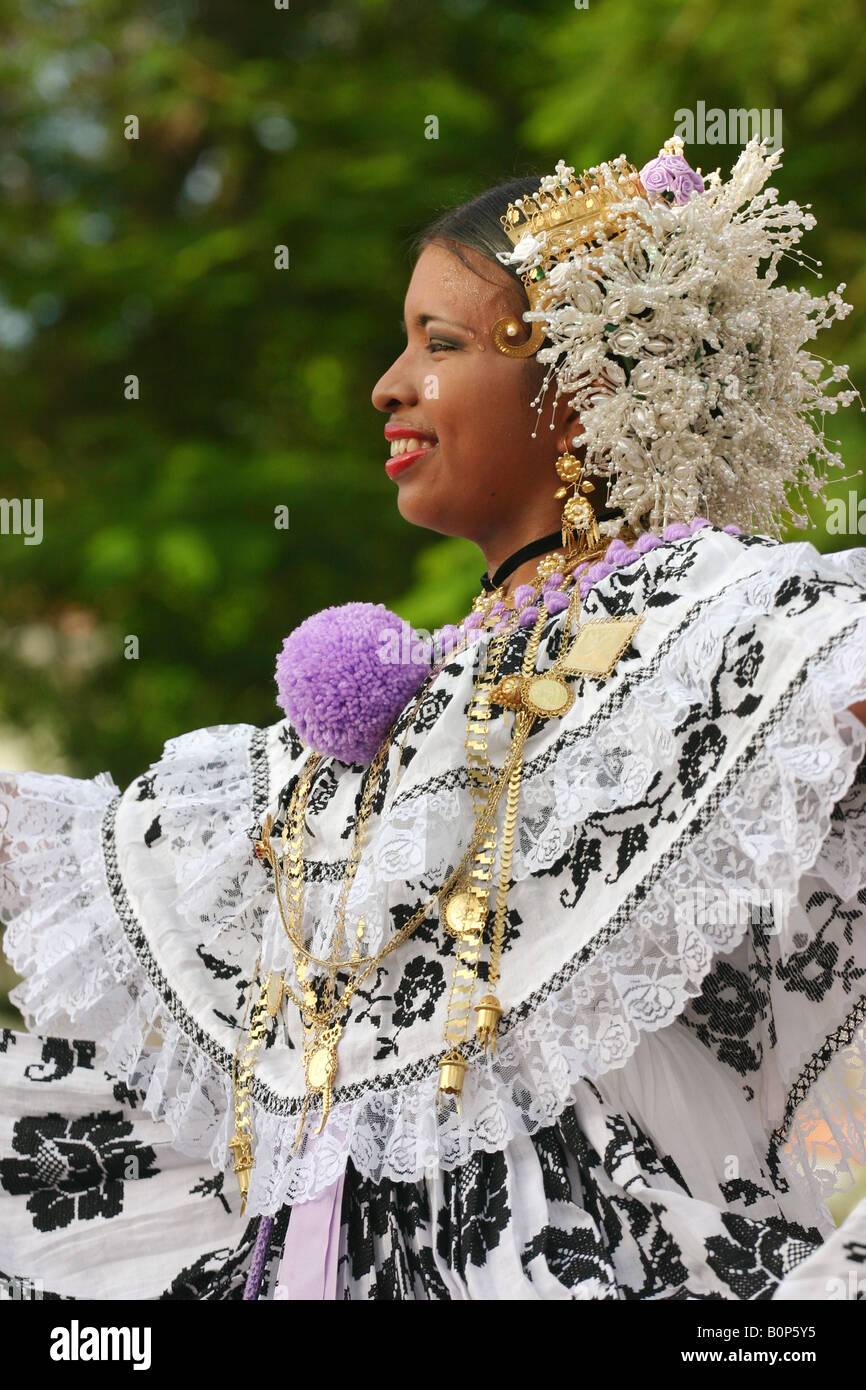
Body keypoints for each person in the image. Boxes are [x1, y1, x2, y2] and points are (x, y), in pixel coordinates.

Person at [1, 134, 866, 1302]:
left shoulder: (716, 618)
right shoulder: (414, 696)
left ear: (588, 384)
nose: (386, 385)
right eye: (404, 342)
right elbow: (144, 858)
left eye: (441, 344)